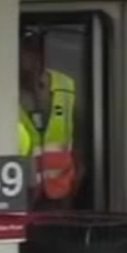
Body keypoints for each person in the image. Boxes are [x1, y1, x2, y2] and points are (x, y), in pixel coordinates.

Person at [18, 28, 81, 206]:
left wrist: (76, 182)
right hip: (23, 192)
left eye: (32, 52)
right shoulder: (2, 89)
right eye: (24, 52)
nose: (28, 59)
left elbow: (81, 138)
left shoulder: (66, 85)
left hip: (61, 191)